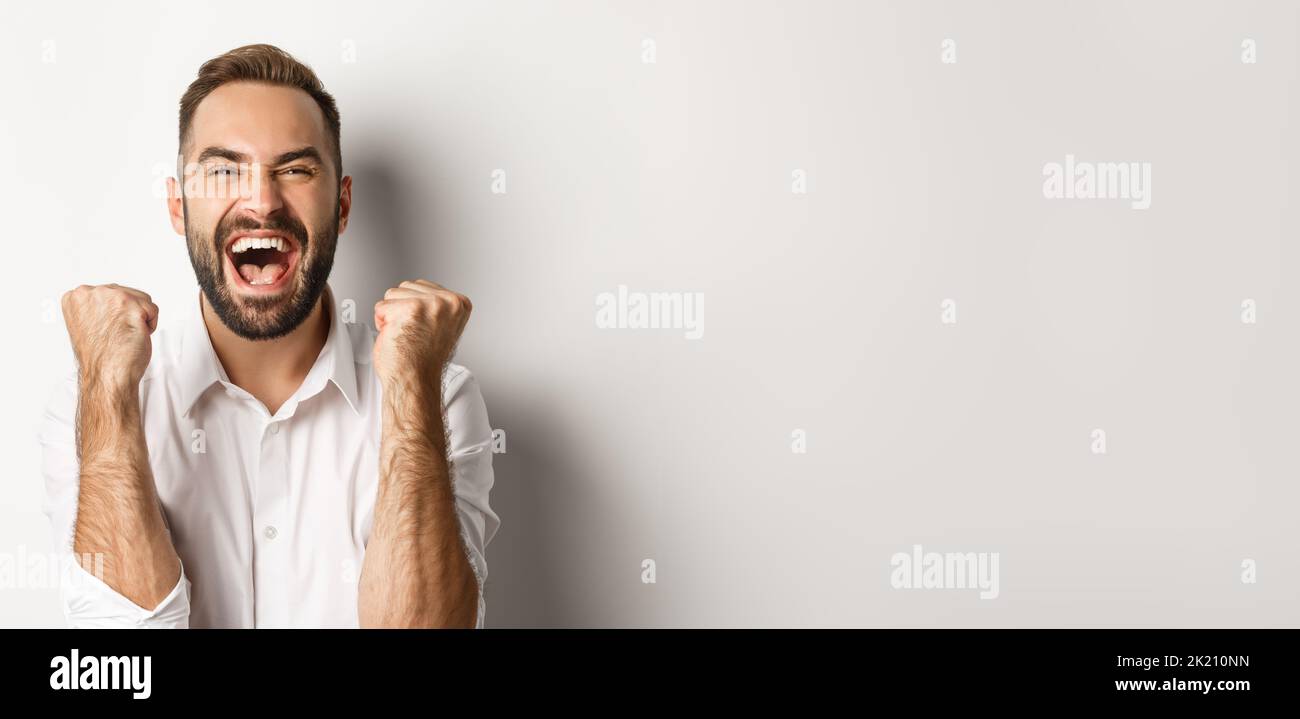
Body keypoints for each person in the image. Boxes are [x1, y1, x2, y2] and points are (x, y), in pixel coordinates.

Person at [38, 44, 498, 628]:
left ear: (342, 202)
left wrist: (411, 384)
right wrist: (105, 386)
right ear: (179, 207)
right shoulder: (94, 407)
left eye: (295, 169)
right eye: (225, 169)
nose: (261, 201)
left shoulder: (437, 397)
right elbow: (119, 665)